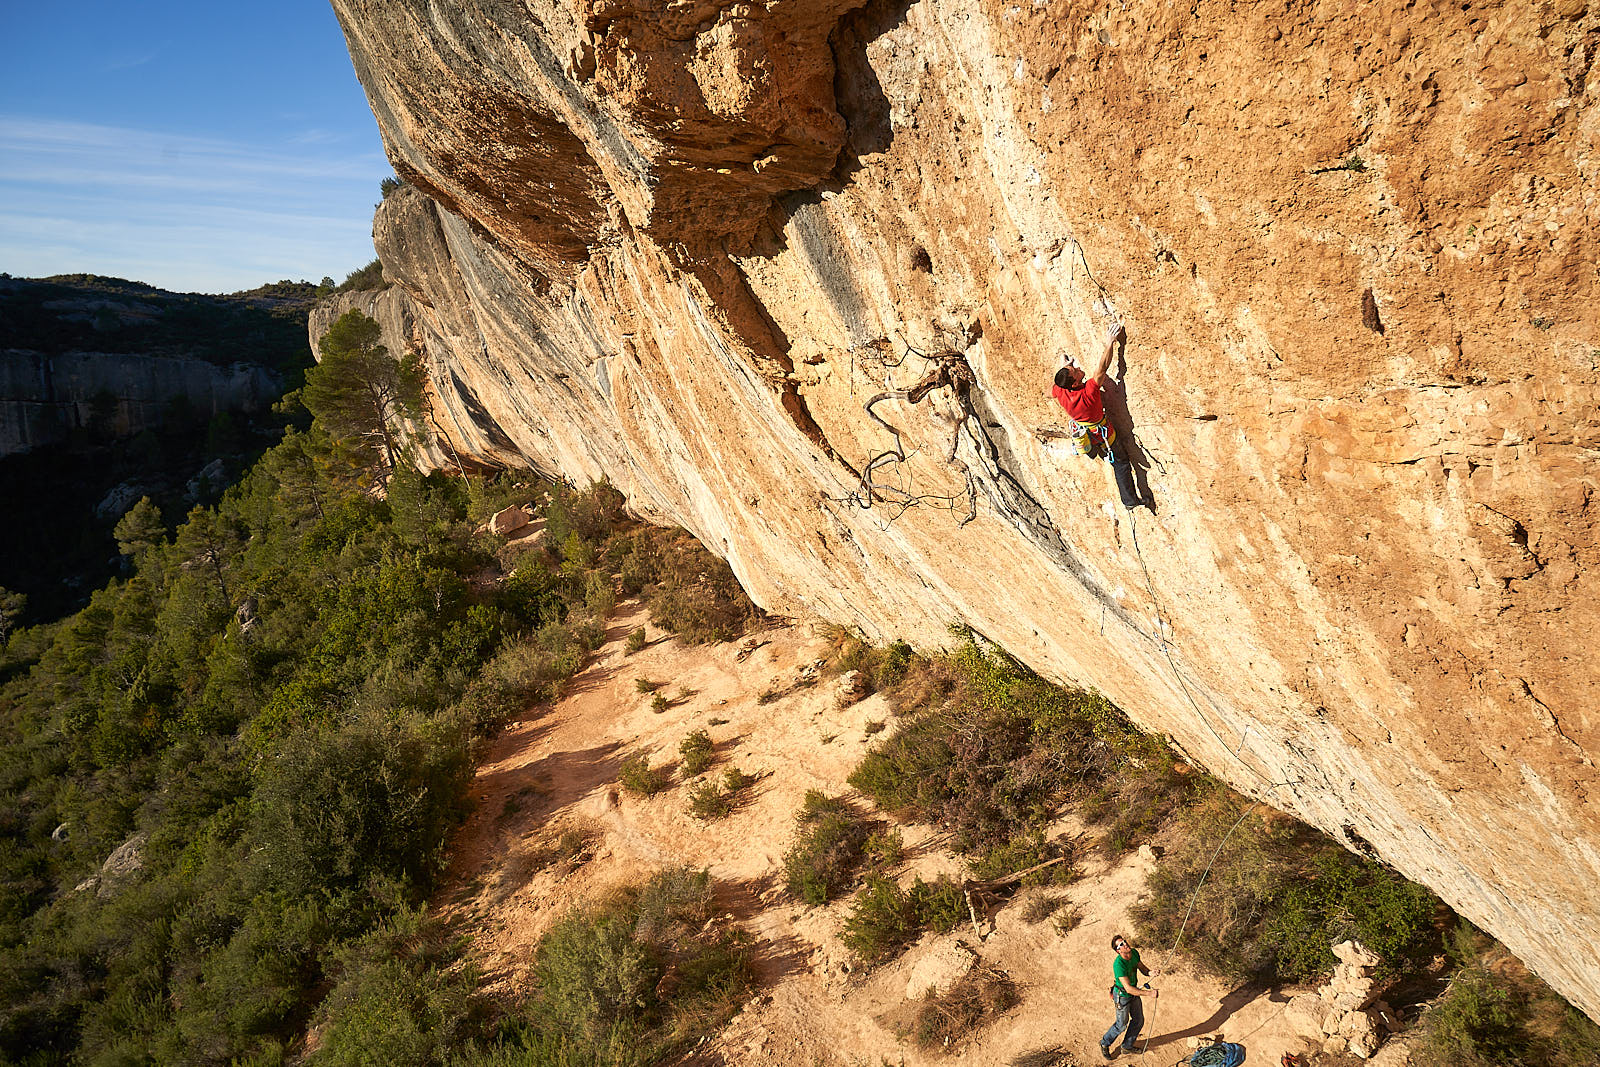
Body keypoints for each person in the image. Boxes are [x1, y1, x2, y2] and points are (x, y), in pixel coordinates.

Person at [1052, 321, 1142, 508]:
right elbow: (1103, 368)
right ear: (1076, 383)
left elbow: (1051, 389)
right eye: (1075, 371)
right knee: (1121, 462)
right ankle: (1129, 501)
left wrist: (1064, 368)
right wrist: (1110, 343)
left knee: (1105, 452)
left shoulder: (1060, 392)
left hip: (1088, 435)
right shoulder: (1089, 392)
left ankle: (1096, 453)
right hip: (1105, 434)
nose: (1077, 368)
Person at [1100, 932, 1158, 1059]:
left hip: (1133, 992)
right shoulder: (1118, 964)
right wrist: (1149, 993)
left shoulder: (1134, 953)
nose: (1125, 944)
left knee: (1138, 1020)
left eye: (1124, 941)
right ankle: (1104, 1043)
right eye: (1121, 944)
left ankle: (1127, 1046)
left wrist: (1150, 973)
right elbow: (1128, 988)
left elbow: (1142, 968)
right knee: (1121, 1024)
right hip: (1123, 995)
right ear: (1118, 950)